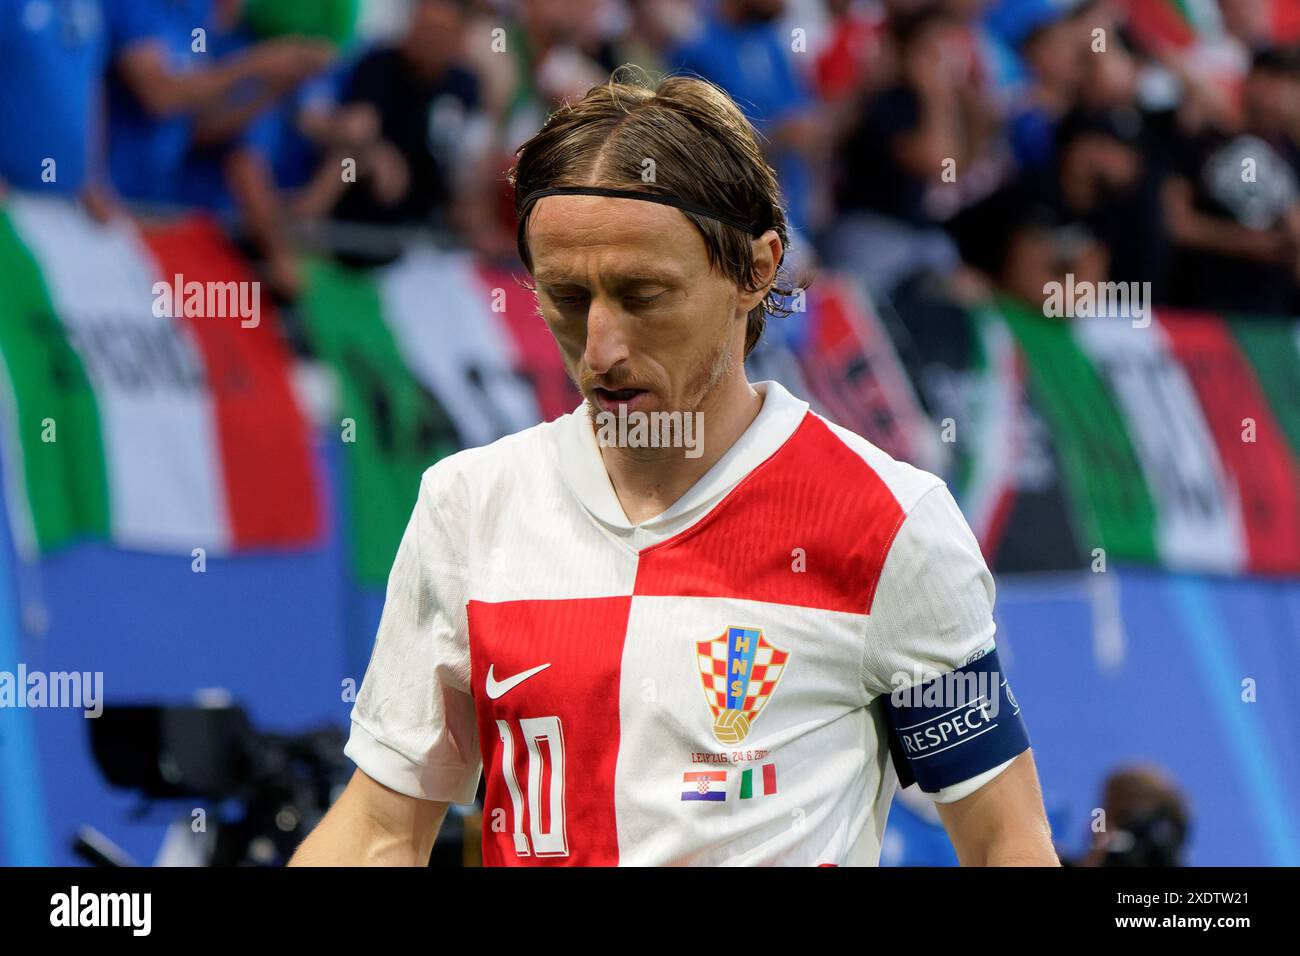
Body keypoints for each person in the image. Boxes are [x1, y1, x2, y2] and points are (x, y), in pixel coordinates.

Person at [289, 73, 1057, 867]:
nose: (601, 349)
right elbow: (380, 828)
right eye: (566, 296)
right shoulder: (468, 504)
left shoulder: (893, 525)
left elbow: (1007, 843)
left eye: (643, 294)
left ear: (758, 269)